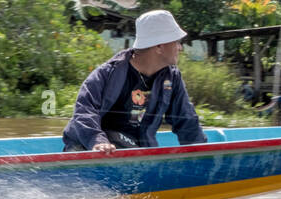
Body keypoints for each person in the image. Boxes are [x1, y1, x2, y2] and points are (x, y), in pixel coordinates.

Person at [63, 9, 206, 153]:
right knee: (113, 139)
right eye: (176, 42)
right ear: (159, 46)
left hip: (136, 151)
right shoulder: (106, 74)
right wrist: (97, 141)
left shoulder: (172, 78)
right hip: (92, 147)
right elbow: (84, 112)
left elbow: (186, 121)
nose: (180, 48)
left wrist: (202, 154)